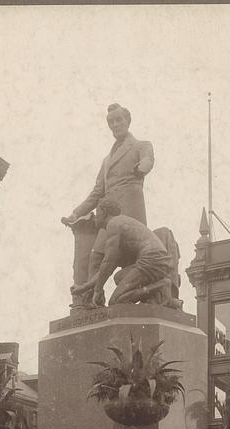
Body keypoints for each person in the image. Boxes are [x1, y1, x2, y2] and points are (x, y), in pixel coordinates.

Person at [62, 104, 154, 303]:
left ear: (128, 120)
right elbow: (97, 192)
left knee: (131, 262)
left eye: (119, 119)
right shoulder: (106, 161)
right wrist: (76, 213)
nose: (115, 124)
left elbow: (148, 160)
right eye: (111, 121)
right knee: (96, 257)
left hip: (131, 214)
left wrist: (142, 168)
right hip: (109, 218)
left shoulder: (141, 145)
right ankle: (94, 304)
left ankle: (134, 298)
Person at [72, 198, 173, 307]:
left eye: (97, 212)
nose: (96, 217)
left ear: (104, 212)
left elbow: (108, 262)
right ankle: (158, 292)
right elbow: (106, 269)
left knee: (116, 301)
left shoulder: (113, 224)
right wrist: (85, 287)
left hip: (151, 260)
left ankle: (162, 286)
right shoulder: (120, 224)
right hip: (157, 260)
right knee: (119, 277)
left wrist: (98, 289)